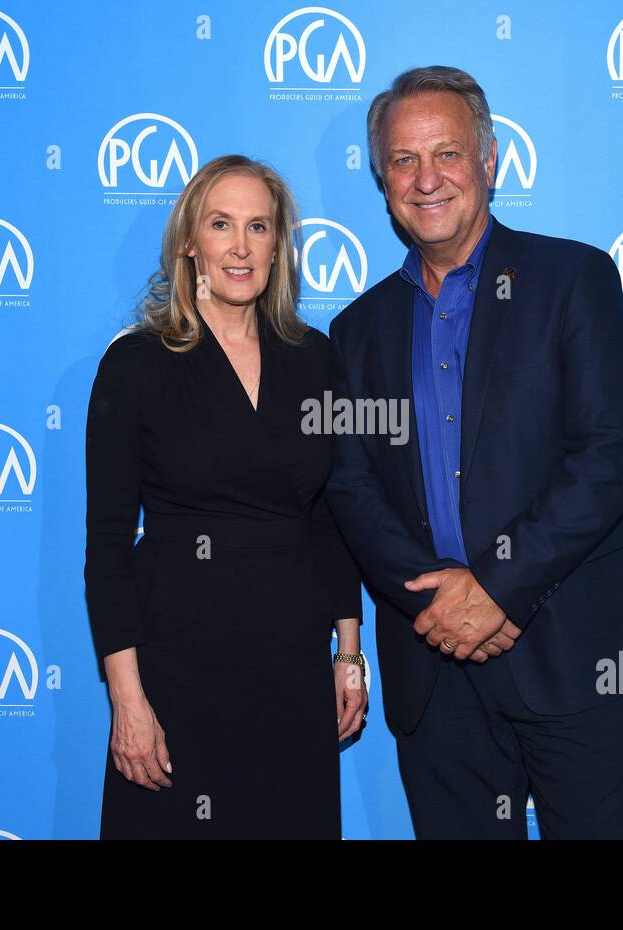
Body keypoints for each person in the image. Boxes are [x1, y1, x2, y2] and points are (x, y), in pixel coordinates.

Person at [324, 66, 623, 839]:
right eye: (402, 160)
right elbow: (351, 488)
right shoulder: (358, 330)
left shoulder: (573, 278)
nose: (426, 179)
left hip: (575, 650)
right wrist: (438, 602)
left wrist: (492, 590)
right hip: (434, 668)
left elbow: (609, 455)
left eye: (447, 154)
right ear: (380, 177)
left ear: (490, 160)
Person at [83, 154, 367, 839]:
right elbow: (107, 548)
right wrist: (128, 700)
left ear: (278, 243)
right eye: (221, 224)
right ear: (190, 242)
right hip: (177, 663)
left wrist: (348, 653)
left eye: (259, 226)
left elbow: (331, 516)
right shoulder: (137, 363)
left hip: (290, 663)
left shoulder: (315, 358)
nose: (240, 246)